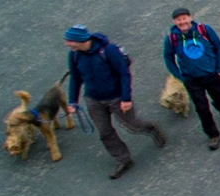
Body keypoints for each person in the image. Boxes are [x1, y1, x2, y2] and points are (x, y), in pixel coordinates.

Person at [63, 25, 166, 179]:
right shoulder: (74, 55)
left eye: (70, 40)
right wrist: (72, 102)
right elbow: (76, 79)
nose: (67, 44)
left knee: (132, 125)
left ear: (80, 40)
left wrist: (126, 98)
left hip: (116, 97)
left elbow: (124, 73)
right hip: (93, 100)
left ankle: (152, 128)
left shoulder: (108, 51)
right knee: (105, 132)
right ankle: (123, 160)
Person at [163, 8, 220, 150]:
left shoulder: (204, 30)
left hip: (212, 74)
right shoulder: (171, 39)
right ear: (175, 22)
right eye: (179, 19)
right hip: (191, 80)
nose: (182, 22)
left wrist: (219, 69)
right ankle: (213, 135)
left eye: (184, 18)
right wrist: (180, 76)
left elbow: (219, 47)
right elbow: (168, 58)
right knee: (202, 108)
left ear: (190, 18)